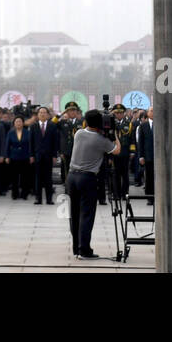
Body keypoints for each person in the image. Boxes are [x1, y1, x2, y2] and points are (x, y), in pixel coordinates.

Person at [66, 110, 119, 259]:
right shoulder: (101, 140)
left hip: (71, 177)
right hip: (87, 178)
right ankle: (85, 250)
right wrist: (114, 134)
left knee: (74, 214)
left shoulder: (79, 133)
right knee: (87, 215)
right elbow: (117, 151)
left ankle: (76, 247)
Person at [5, 115, 33, 200]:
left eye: (20, 121)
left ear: (23, 123)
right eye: (16, 122)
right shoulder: (11, 132)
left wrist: (31, 155)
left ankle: (24, 194)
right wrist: (7, 156)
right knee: (14, 177)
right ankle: (15, 194)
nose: (18, 123)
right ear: (14, 123)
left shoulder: (27, 132)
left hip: (25, 157)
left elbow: (31, 145)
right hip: (14, 157)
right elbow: (7, 145)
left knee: (25, 177)